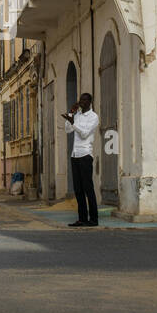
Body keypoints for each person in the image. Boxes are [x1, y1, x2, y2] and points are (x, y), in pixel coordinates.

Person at [62, 92, 99, 227]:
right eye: (80, 99)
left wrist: (74, 124)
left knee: (88, 188)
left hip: (85, 155)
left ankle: (93, 219)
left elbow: (84, 134)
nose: (81, 102)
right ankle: (82, 219)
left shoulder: (94, 117)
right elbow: (67, 130)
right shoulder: (77, 115)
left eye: (84, 100)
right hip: (75, 155)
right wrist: (71, 114)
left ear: (90, 102)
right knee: (78, 189)